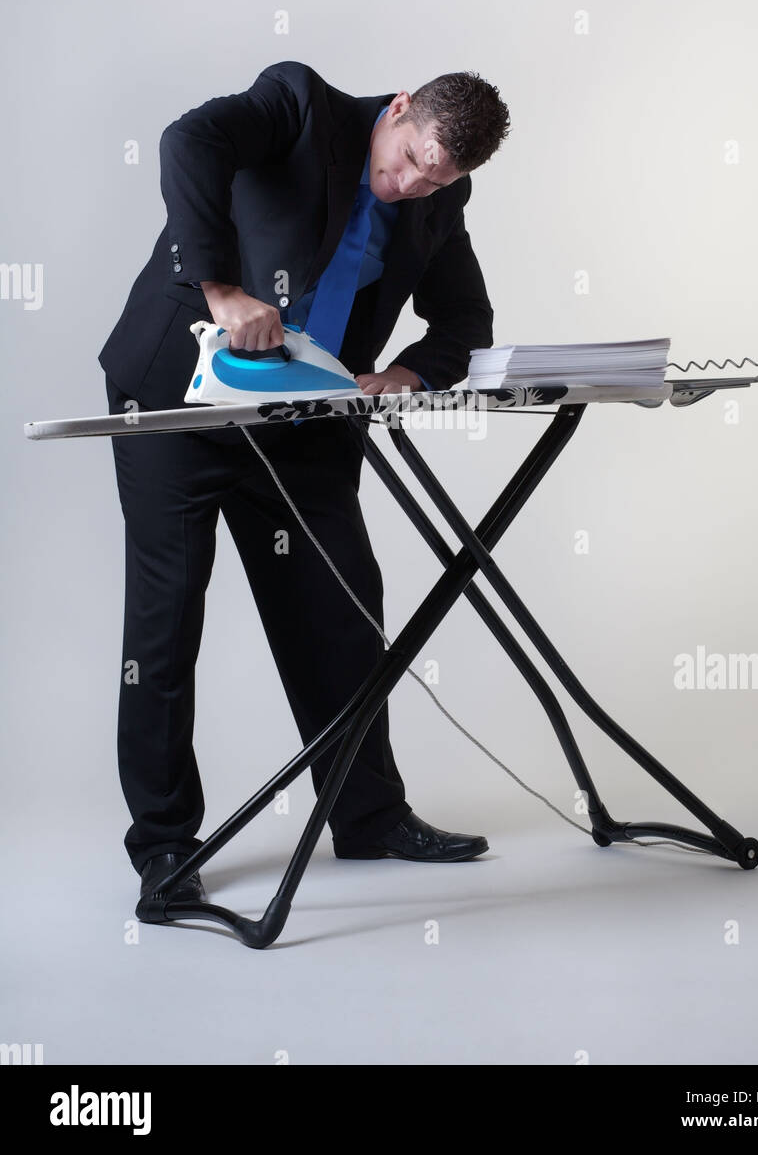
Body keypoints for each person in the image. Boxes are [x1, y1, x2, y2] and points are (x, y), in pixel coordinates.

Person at [97, 59, 511, 906]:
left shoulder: (441, 195)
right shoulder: (299, 107)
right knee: (168, 616)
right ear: (400, 107)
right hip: (178, 398)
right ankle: (165, 848)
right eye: (409, 159)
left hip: (304, 417)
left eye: (435, 180)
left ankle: (368, 816)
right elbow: (187, 141)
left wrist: (409, 372)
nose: (410, 186)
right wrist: (219, 288)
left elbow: (466, 318)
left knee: (340, 605)